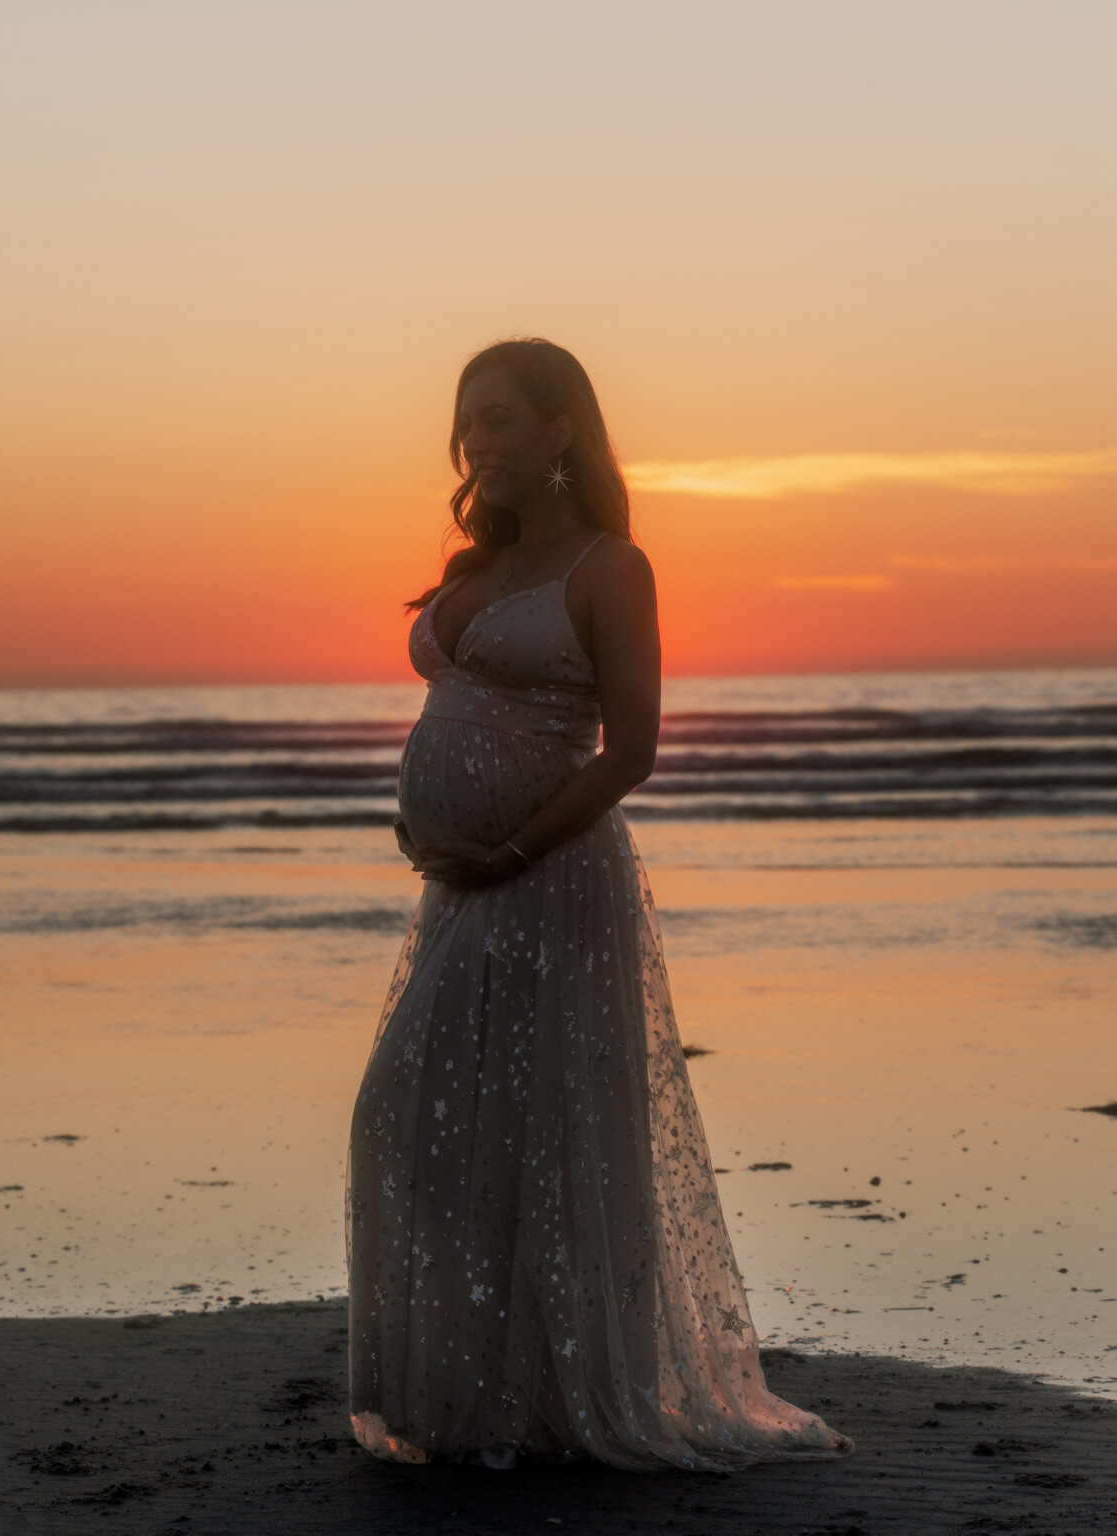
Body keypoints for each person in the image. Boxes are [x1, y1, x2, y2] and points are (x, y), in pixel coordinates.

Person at [345, 338, 854, 1472]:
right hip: (459, 884)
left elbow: (631, 749)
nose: (478, 440)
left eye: (501, 420)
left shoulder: (610, 567)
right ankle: (466, 1395)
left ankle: (543, 1400)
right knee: (412, 1125)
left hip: (550, 879)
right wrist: (429, 821)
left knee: (538, 1137)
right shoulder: (471, 565)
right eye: (467, 420)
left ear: (560, 428)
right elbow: (463, 714)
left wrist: (513, 844)